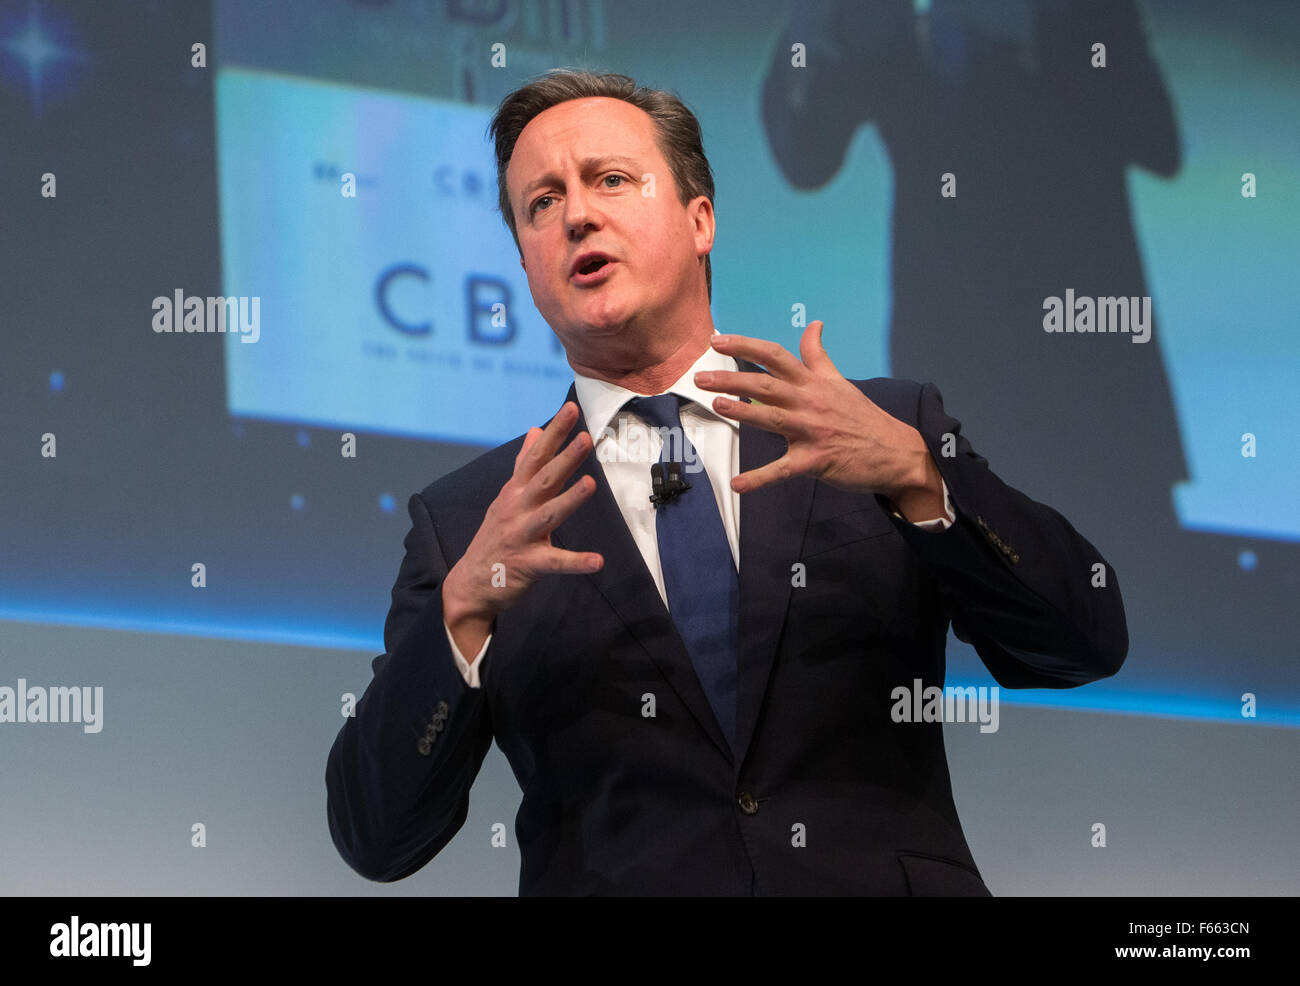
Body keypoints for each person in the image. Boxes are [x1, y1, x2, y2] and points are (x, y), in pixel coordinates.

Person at [325, 68, 1127, 895]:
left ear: (699, 219)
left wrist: (924, 481)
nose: (578, 216)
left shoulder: (876, 426)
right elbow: (376, 838)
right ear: (526, 264)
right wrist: (461, 609)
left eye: (610, 180)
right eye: (542, 203)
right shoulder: (470, 525)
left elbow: (1082, 643)